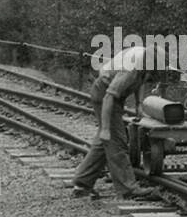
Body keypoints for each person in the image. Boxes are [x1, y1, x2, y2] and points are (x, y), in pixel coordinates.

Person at [70, 43, 171, 201]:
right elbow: (109, 97)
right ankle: (127, 189)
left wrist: (138, 103)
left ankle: (82, 183)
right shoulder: (130, 69)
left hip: (111, 95)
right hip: (104, 95)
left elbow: (140, 81)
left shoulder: (144, 61)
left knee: (105, 143)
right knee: (117, 141)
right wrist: (105, 129)